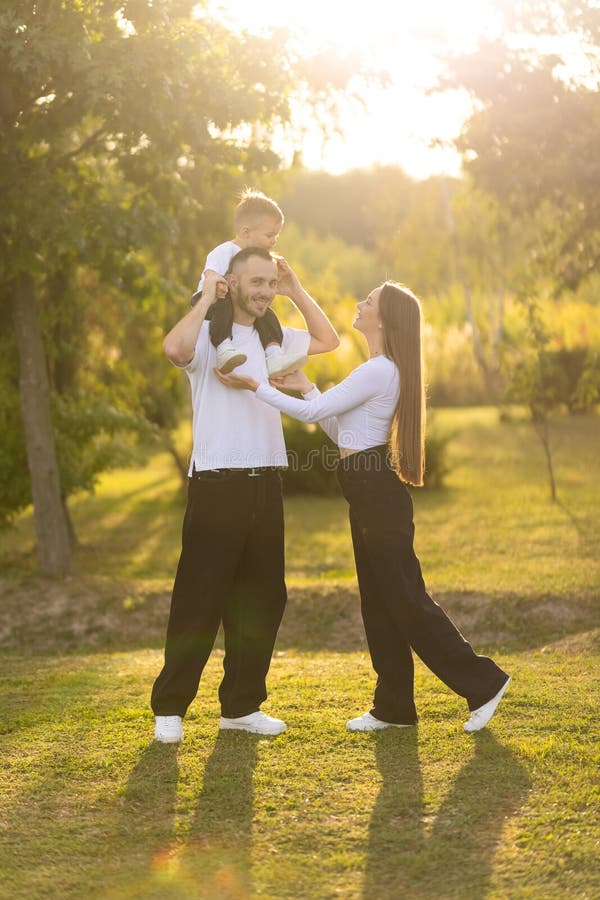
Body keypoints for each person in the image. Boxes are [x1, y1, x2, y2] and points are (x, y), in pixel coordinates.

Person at [216, 281, 511, 734]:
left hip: (376, 492)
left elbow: (314, 419)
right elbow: (342, 433)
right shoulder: (378, 369)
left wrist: (255, 384)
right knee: (379, 601)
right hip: (366, 488)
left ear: (384, 319)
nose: (359, 304)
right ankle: (393, 707)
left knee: (405, 599)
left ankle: (483, 682)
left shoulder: (379, 371)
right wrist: (306, 386)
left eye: (368, 302)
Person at [151, 247, 339, 742]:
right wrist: (204, 297)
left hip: (267, 481)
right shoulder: (209, 336)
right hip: (216, 481)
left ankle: (240, 706)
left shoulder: (273, 339)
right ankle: (169, 707)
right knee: (200, 599)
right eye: (254, 282)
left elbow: (328, 339)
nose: (263, 291)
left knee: (262, 598)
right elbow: (172, 350)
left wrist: (296, 289)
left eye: (269, 283)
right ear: (231, 284)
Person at [193, 188, 307, 377]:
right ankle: (223, 347)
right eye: (269, 235)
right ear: (246, 232)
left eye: (276, 236)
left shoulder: (257, 257)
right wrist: (219, 284)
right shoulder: (224, 251)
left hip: (237, 305)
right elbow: (210, 275)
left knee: (268, 315)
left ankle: (273, 354)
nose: (273, 241)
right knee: (225, 304)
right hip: (212, 305)